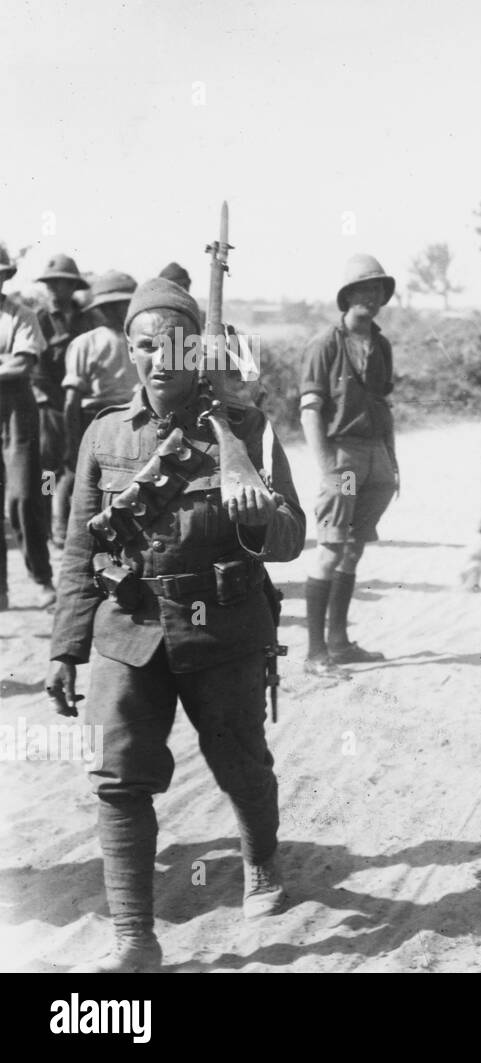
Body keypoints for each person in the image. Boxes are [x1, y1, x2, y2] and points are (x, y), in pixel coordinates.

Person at [45, 277, 306, 971]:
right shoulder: (103, 433)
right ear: (130, 349)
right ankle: (134, 937)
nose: (160, 360)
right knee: (120, 776)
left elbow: (291, 536)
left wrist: (255, 513)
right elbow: (79, 549)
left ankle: (262, 861)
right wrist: (66, 650)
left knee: (240, 761)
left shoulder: (244, 429)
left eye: (175, 345)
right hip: (129, 628)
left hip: (222, 627)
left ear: (199, 350)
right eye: (145, 345)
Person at [298, 254, 400, 677]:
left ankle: (339, 644)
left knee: (354, 549)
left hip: (375, 453)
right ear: (348, 295)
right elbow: (310, 411)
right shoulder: (325, 344)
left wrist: (392, 463)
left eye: (378, 290)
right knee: (330, 548)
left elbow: (384, 404)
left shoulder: (382, 345)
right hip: (341, 455)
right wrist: (326, 470)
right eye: (365, 289)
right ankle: (315, 653)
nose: (373, 297)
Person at [0, 245, 55, 609]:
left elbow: (21, 366)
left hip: (16, 412)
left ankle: (41, 577)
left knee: (22, 497)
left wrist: (9, 362)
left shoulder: (21, 315)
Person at [34, 254, 93, 547]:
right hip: (50, 405)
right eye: (51, 284)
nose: (56, 289)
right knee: (49, 469)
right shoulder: (39, 320)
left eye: (62, 284)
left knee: (79, 465)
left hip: (83, 405)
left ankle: (72, 525)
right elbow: (36, 368)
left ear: (73, 287)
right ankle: (48, 524)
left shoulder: (88, 319)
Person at [62, 272, 139, 472]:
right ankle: (49, 496)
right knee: (57, 472)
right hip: (96, 419)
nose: (119, 310)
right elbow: (71, 401)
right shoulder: (84, 343)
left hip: (136, 420)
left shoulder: (142, 342)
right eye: (114, 305)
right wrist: (72, 444)